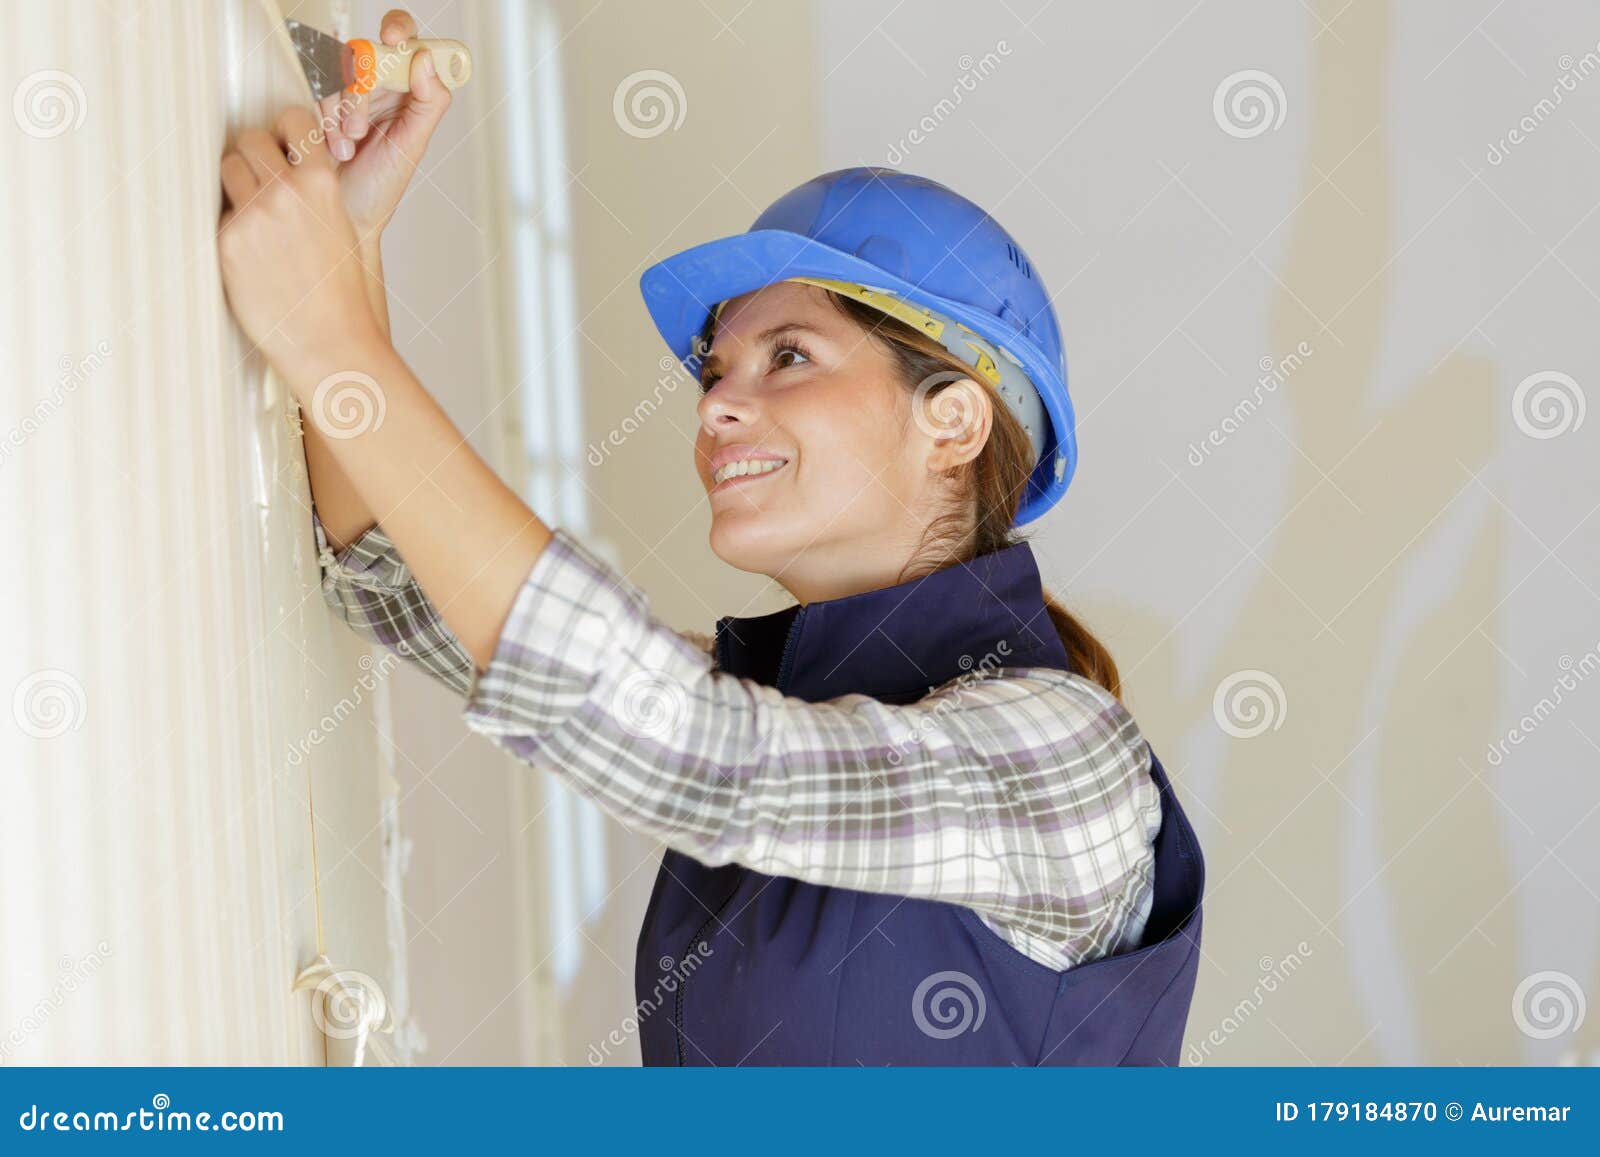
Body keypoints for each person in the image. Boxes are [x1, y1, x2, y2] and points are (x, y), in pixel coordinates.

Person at [217, 8, 1203, 1065]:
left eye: (788, 355)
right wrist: (355, 249)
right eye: (715, 367)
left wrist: (335, 339)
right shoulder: (781, 710)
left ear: (953, 417)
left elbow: (696, 751)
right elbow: (387, 571)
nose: (716, 404)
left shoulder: (1067, 757)